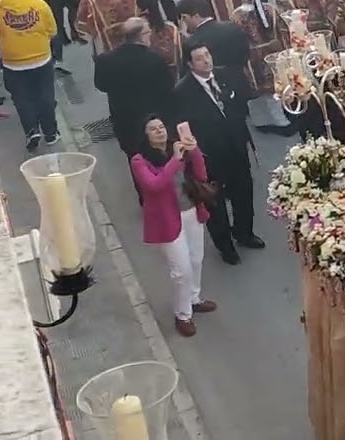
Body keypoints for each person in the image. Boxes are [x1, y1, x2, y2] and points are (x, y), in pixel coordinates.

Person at [174, 43, 262, 264]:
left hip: (236, 146)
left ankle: (244, 232)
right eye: (200, 58)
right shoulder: (183, 92)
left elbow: (243, 99)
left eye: (207, 55)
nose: (206, 60)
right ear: (190, 64)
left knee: (243, 192)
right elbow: (183, 125)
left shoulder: (226, 75)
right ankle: (225, 246)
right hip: (210, 156)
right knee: (215, 202)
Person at [129, 115, 217, 337]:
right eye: (153, 129)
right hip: (167, 220)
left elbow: (201, 174)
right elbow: (154, 185)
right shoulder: (139, 161)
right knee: (181, 270)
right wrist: (175, 161)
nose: (160, 131)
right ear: (145, 135)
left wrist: (194, 150)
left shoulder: (176, 149)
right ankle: (182, 314)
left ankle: (194, 298)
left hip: (190, 211)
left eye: (161, 127)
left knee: (196, 259)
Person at [94, 17, 175, 159]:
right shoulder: (155, 59)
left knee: (134, 159)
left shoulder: (105, 60)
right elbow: (168, 89)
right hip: (152, 121)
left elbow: (101, 85)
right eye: (148, 32)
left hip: (124, 121)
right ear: (142, 37)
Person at [0, 0, 58, 149]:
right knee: (45, 96)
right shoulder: (39, 4)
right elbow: (52, 31)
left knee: (22, 98)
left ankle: (31, 130)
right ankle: (51, 133)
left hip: (13, 62)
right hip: (41, 58)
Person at [228, 0, 291, 133]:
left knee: (260, 91)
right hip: (274, 53)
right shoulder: (271, 9)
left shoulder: (236, 15)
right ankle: (282, 116)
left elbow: (236, 40)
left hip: (252, 57)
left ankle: (264, 121)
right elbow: (283, 31)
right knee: (276, 86)